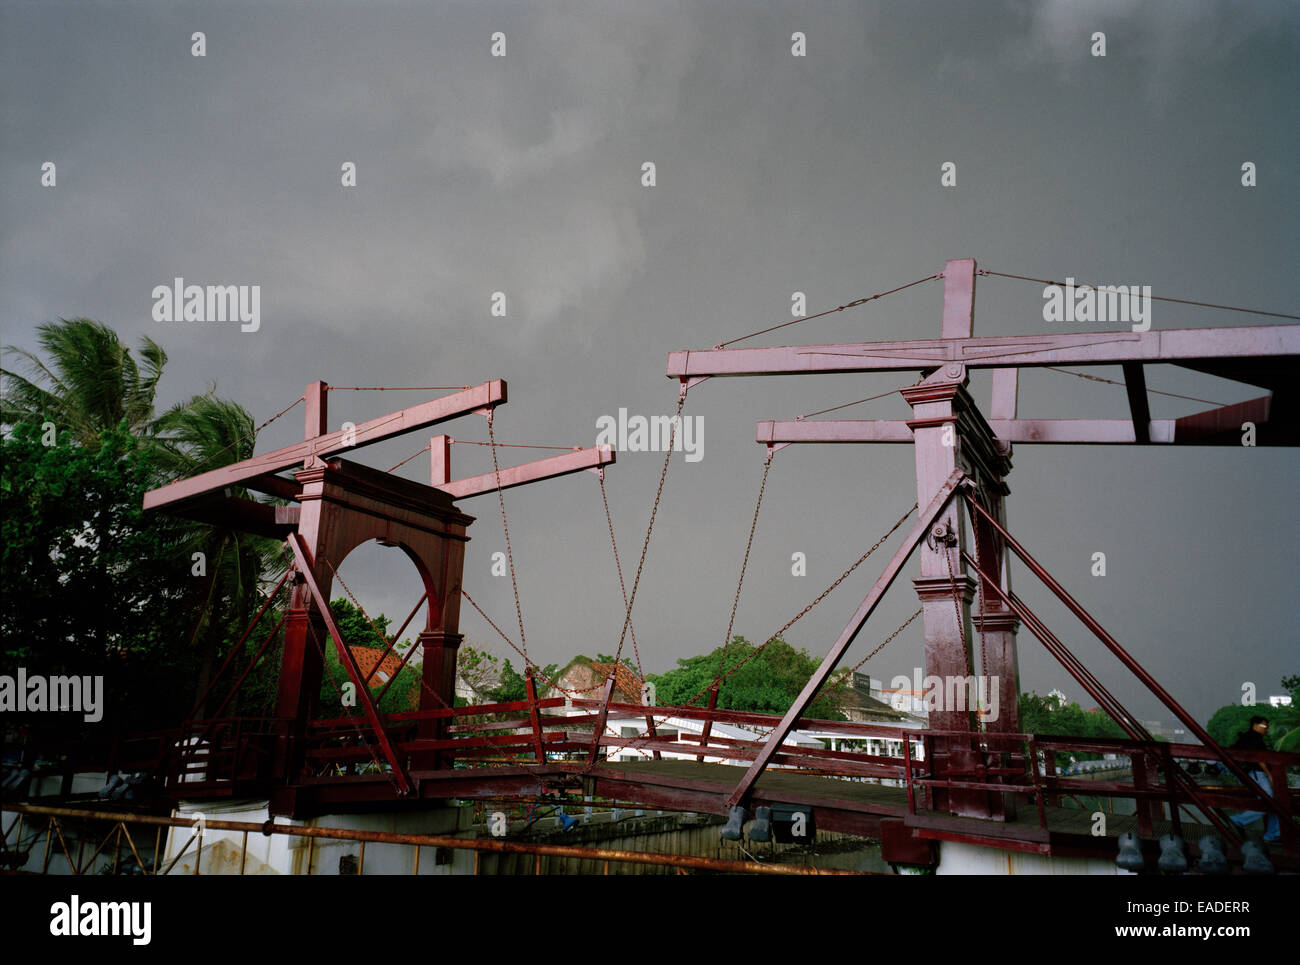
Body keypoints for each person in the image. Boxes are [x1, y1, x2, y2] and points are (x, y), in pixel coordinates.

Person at [1229, 716, 1281, 843]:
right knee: (1268, 801)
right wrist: (1269, 775)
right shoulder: (1254, 738)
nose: (1266, 729)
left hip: (1253, 773)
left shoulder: (1247, 737)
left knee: (1274, 802)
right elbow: (1259, 759)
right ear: (1255, 725)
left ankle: (1273, 834)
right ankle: (1238, 821)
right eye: (1265, 726)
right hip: (1257, 773)